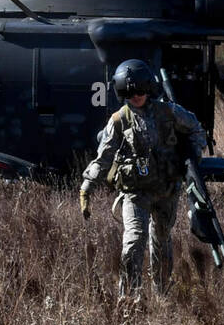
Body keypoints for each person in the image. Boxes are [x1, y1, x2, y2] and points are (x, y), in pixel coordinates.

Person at [79, 59, 208, 299]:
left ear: (148, 88)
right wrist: (87, 187)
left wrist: (192, 157)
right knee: (134, 240)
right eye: (129, 92)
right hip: (136, 192)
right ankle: (129, 298)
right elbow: (103, 157)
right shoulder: (119, 120)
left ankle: (161, 294)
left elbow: (197, 130)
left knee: (161, 241)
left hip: (167, 189)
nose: (135, 96)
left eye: (139, 90)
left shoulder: (169, 112)